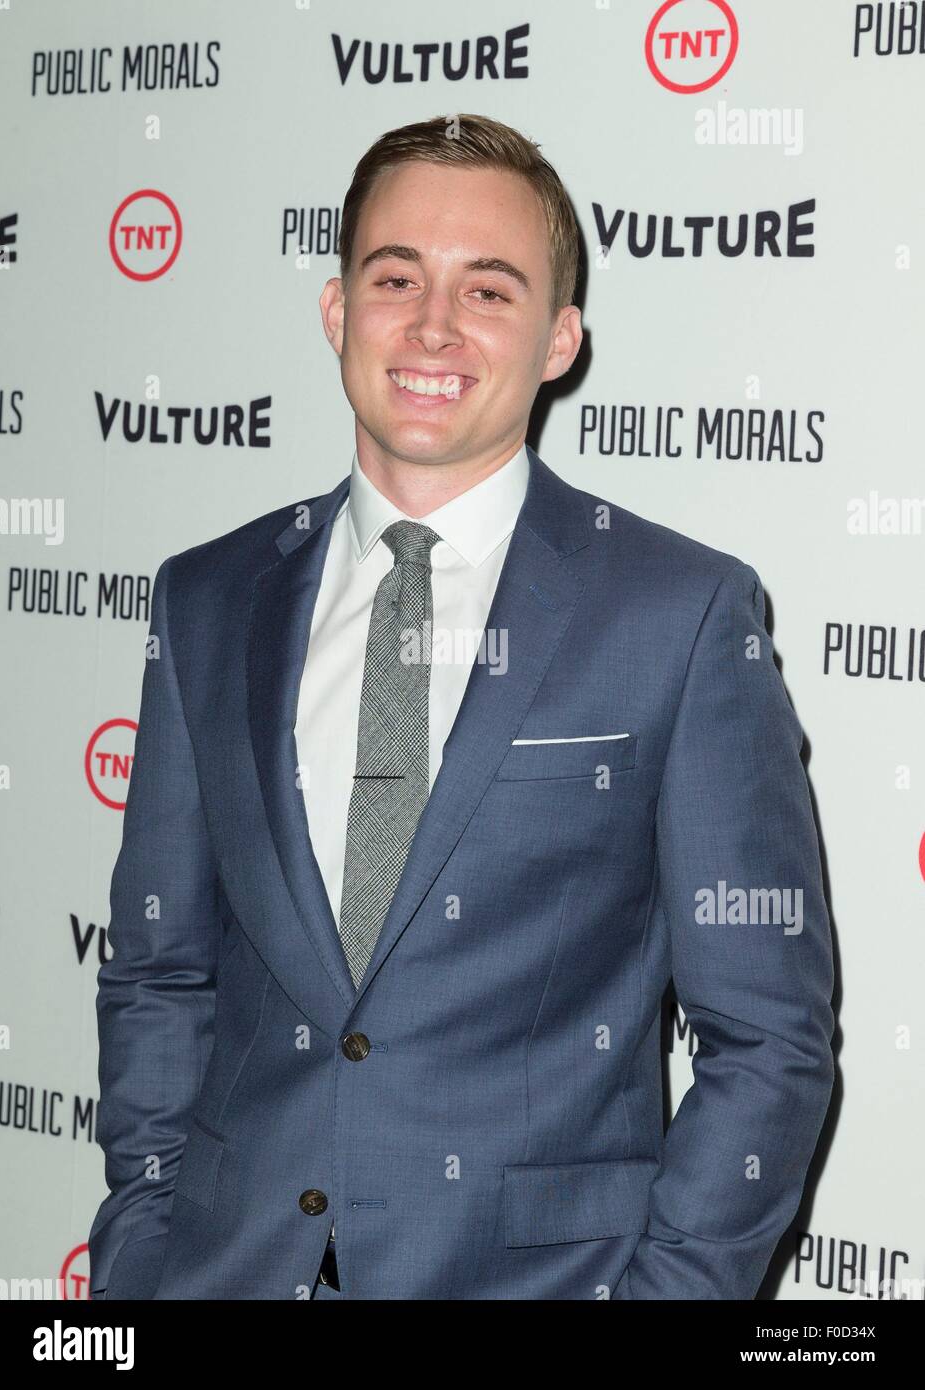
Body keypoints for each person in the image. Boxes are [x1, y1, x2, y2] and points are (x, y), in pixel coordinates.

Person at [88, 112, 835, 1301]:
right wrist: (141, 1247)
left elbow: (770, 1045)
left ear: (560, 339)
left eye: (490, 290)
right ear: (338, 310)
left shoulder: (681, 615)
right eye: (396, 278)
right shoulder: (207, 600)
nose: (433, 326)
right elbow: (159, 975)